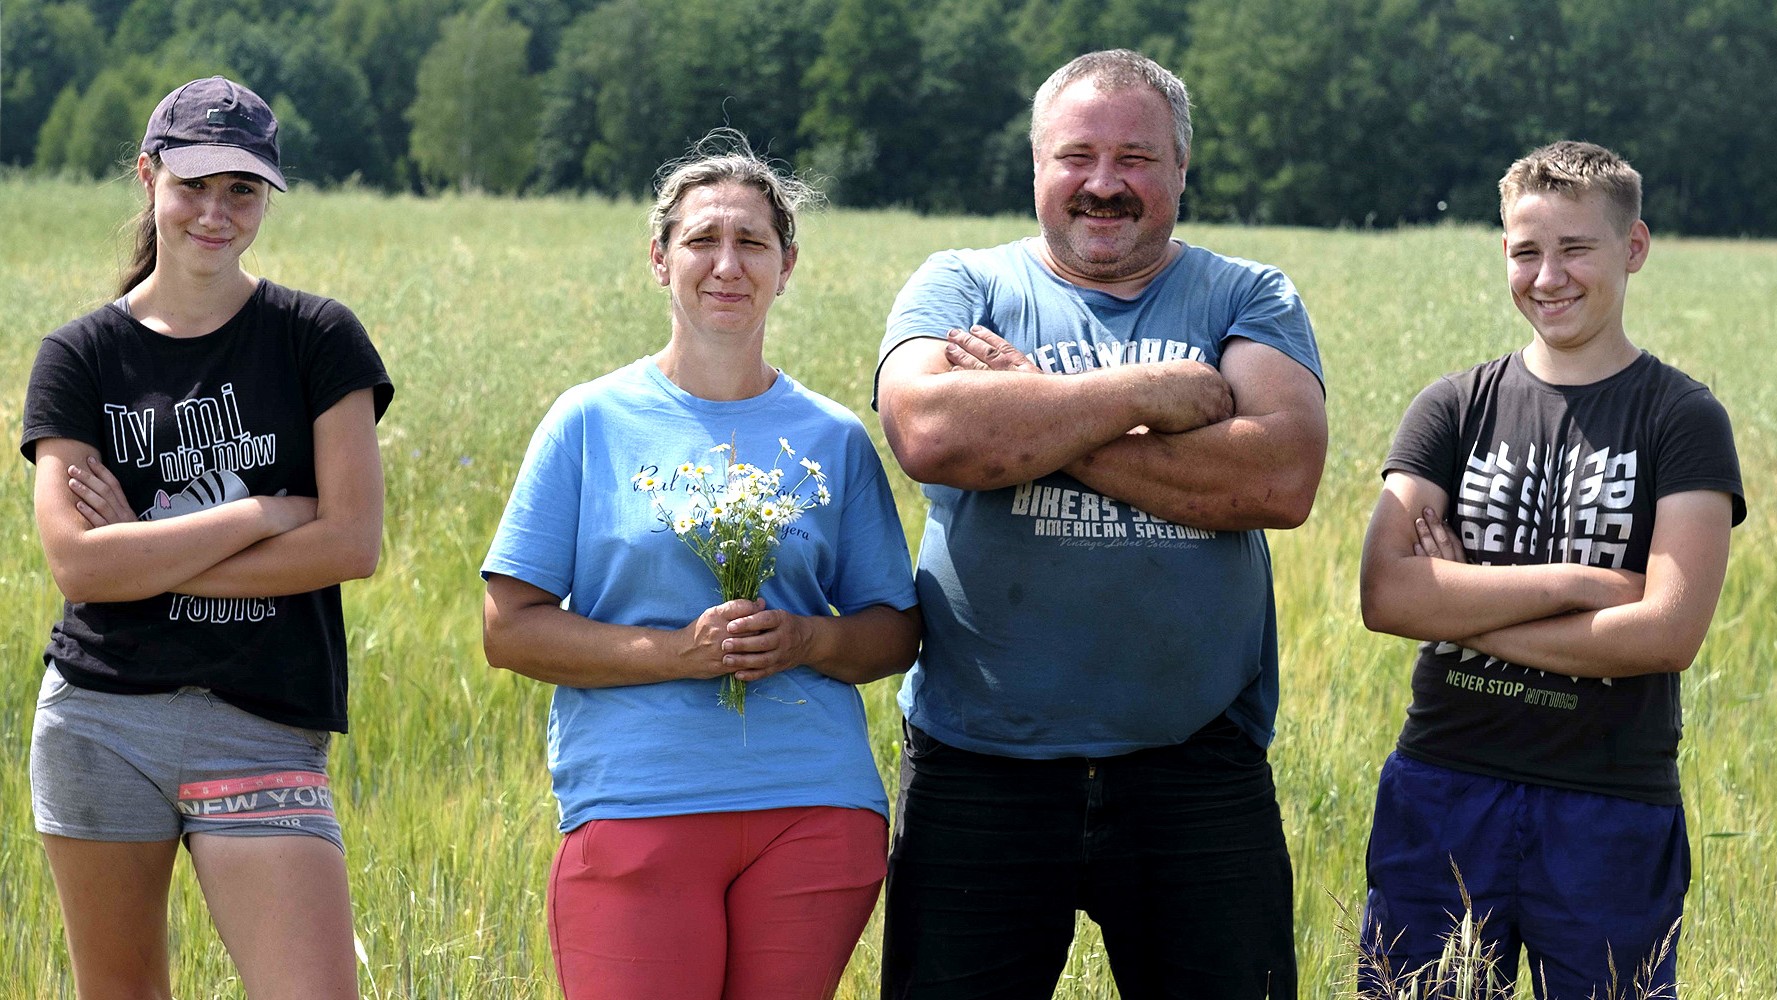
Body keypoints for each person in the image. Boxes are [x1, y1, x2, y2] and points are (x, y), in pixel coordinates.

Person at [874, 49, 1327, 999]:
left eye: (1136, 158)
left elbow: (1279, 476)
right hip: (978, 766)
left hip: (1194, 767)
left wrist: (1032, 409)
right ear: (1037, 165)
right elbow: (930, 431)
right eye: (1076, 156)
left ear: (1180, 169)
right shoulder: (961, 284)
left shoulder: (1246, 294)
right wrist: (1154, 393)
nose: (1103, 183)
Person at [480, 132, 921, 1000]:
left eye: (752, 242)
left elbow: (894, 634)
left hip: (815, 808)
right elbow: (509, 630)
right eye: (701, 240)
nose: (727, 264)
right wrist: (679, 654)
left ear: (786, 266)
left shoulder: (833, 436)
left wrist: (803, 640)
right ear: (660, 259)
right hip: (637, 804)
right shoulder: (588, 422)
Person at [20, 76, 393, 999]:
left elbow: (350, 545)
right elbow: (77, 565)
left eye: (242, 190)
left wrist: (145, 550)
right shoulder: (79, 357)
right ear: (148, 176)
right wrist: (265, 513)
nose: (215, 214)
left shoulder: (317, 338)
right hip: (99, 720)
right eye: (193, 185)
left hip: (259, 723)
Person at [1357, 141, 1743, 998]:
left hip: (1608, 803)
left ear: (1632, 248)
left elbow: (1665, 633)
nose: (1548, 276)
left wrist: (1460, 606)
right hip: (1443, 784)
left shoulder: (1681, 419)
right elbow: (1385, 594)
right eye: (1526, 251)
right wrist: (1576, 586)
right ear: (1504, 252)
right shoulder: (1452, 407)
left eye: (1575, 248)